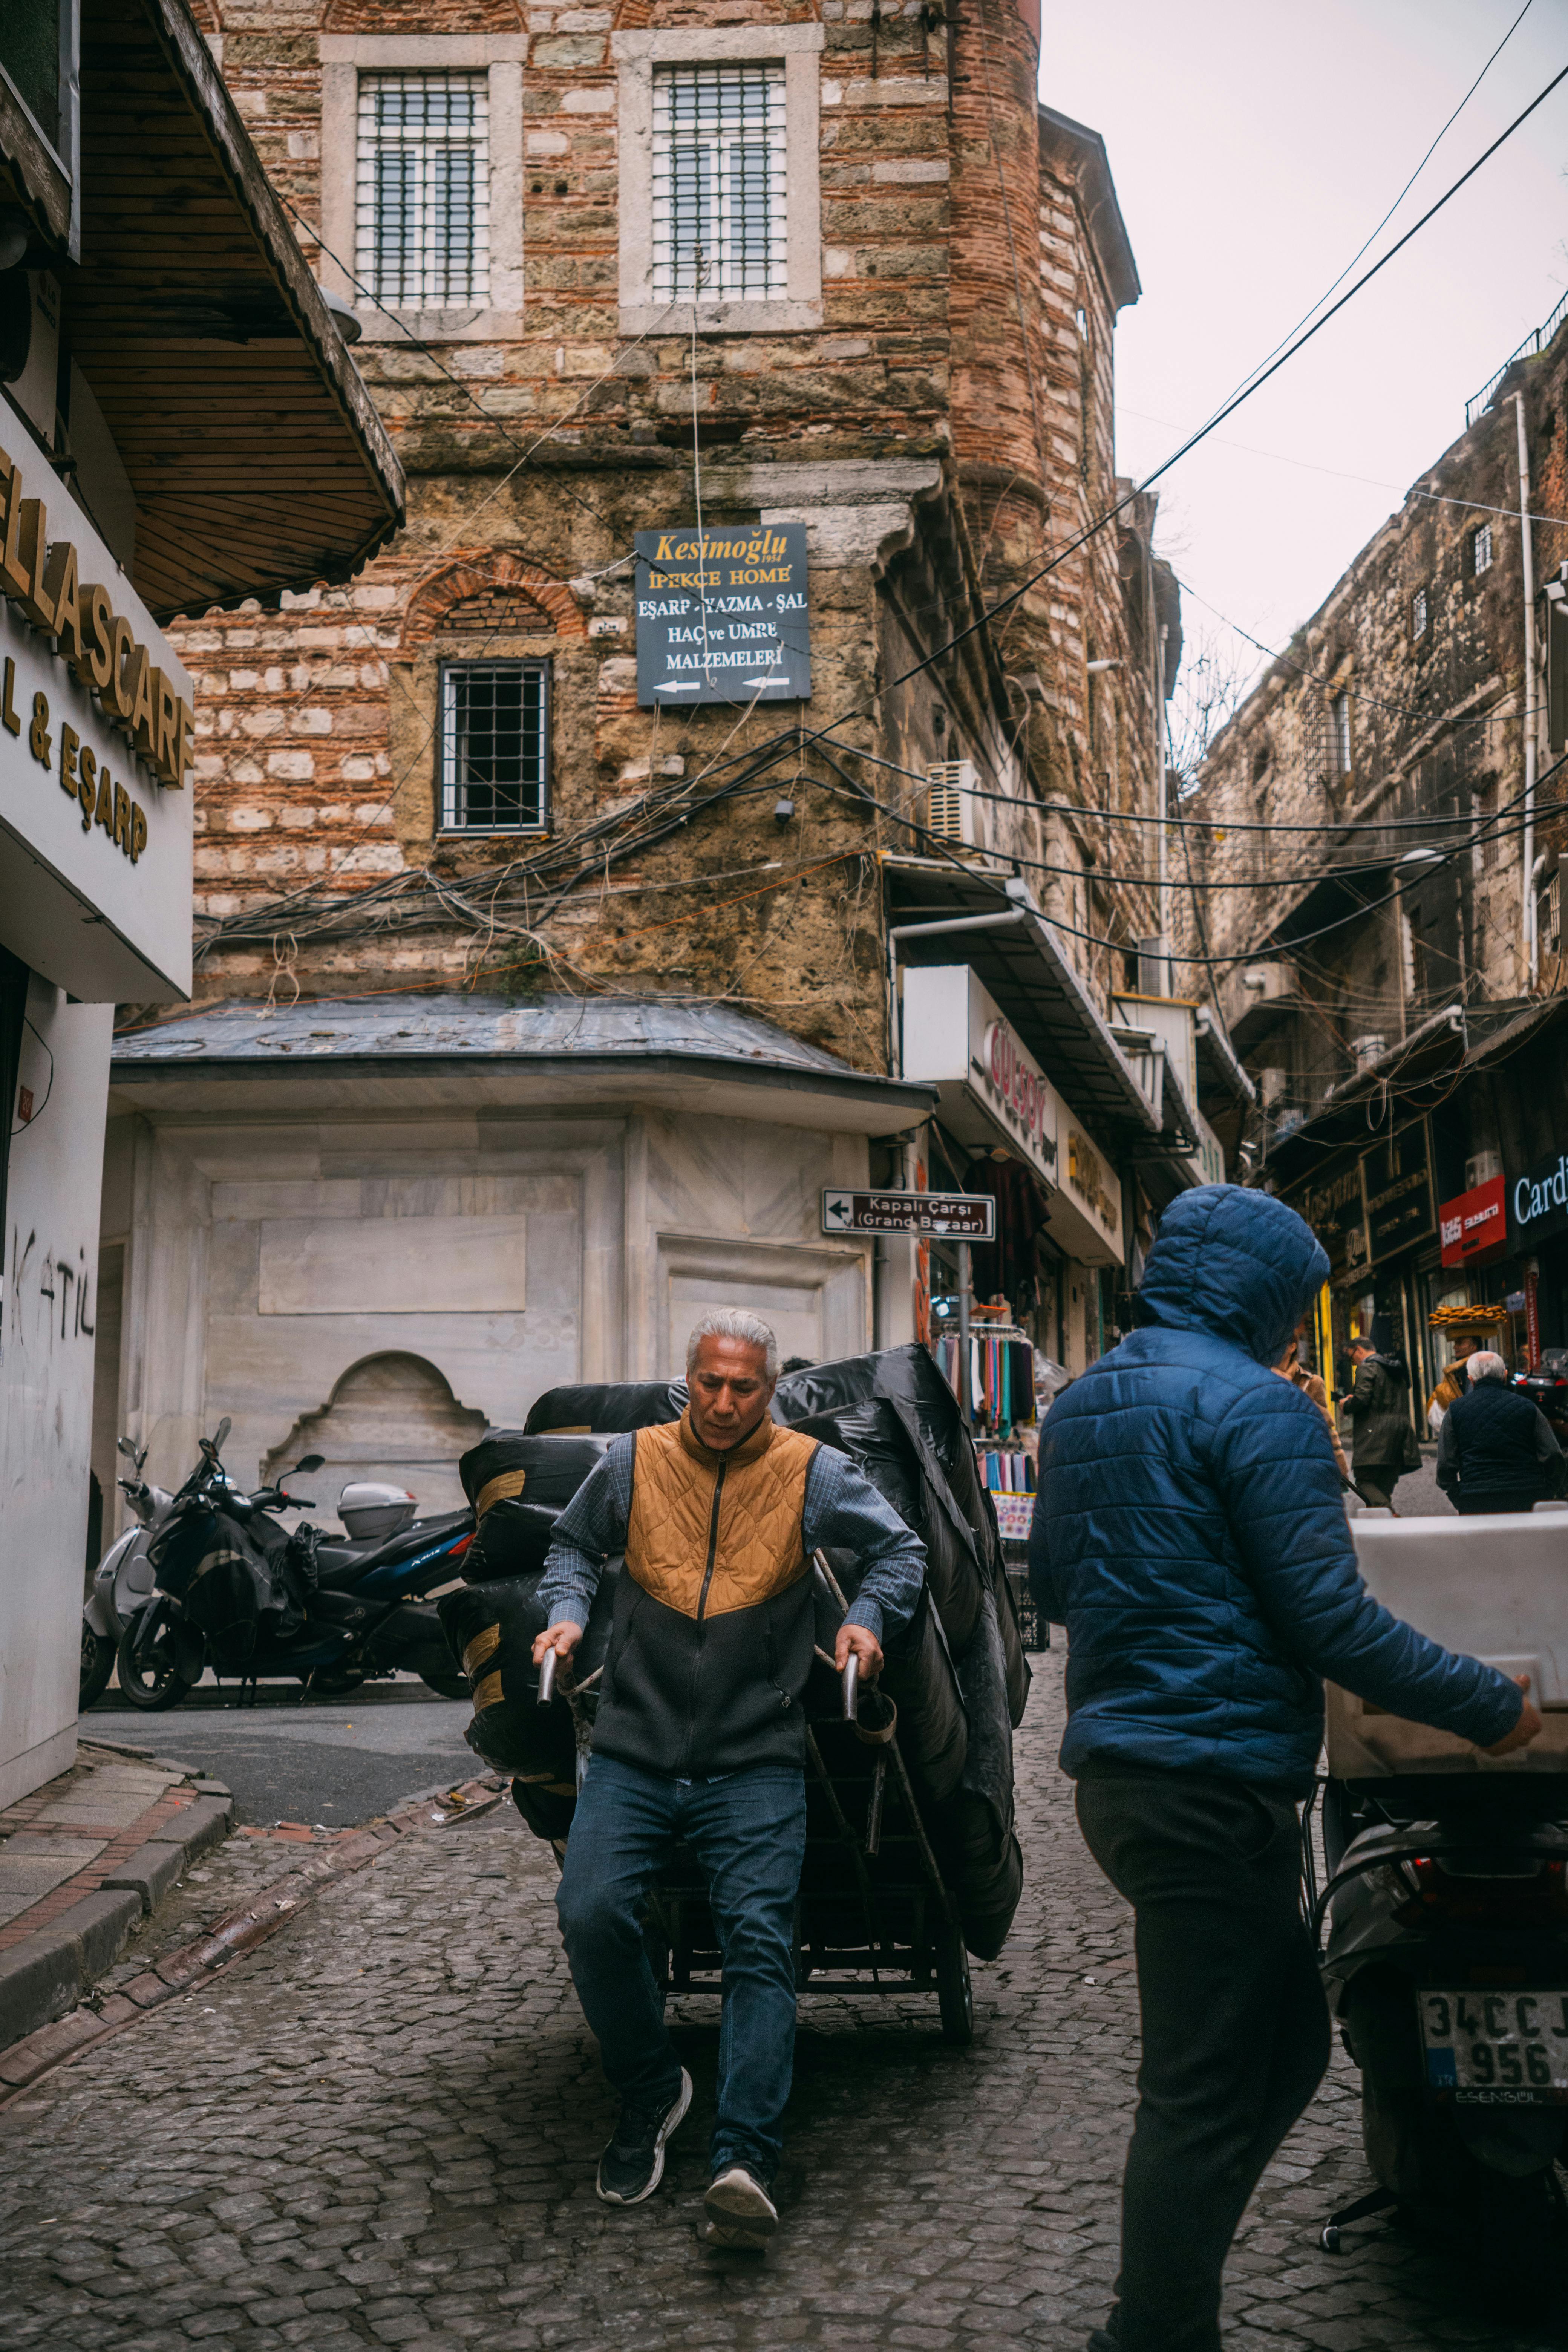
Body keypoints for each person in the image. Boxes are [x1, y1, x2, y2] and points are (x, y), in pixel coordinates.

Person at [1028, 1184, 1539, 2352]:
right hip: (1209, 1781)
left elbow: (1052, 1585)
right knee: (1201, 2085)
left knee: (1289, 2043)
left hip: (1126, 1780)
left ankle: (1168, 2303)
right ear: (1260, 1292)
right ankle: (1153, 2331)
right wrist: (1486, 1706)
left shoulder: (1082, 1402)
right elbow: (1332, 1621)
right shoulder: (1261, 1408)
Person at [532, 1309, 925, 2247]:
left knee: (759, 1944)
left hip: (755, 1755)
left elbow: (900, 1549)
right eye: (709, 1382)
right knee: (589, 1913)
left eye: (743, 1387)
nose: (722, 1401)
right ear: (690, 1378)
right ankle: (651, 2087)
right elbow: (571, 1546)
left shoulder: (811, 1471)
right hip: (633, 1746)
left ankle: (745, 2156)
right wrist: (566, 1612)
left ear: (770, 1389)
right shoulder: (632, 1462)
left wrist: (868, 1618)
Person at [1435, 1346, 1564, 1514]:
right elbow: (1553, 1455)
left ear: (1471, 1380)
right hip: (1526, 1496)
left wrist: (1457, 1496)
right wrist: (1547, 1491)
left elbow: (1445, 1465)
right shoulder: (1528, 1407)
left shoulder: (1455, 1411)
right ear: (1504, 1376)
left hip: (1475, 1498)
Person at [1341, 1334, 1416, 1509]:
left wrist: (1347, 1405)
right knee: (1383, 1488)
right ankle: (1388, 1522)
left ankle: (1391, 1517)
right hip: (1399, 1435)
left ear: (1359, 1350)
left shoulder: (1367, 1368)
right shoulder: (1394, 1368)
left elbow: (1362, 1399)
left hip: (1374, 1437)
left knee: (1364, 1482)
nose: (1353, 1363)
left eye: (1352, 1358)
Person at [1273, 1329, 1350, 1482]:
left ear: (1292, 1347)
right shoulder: (1260, 1379)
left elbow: (1325, 1426)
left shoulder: (1311, 1382)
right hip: (1274, 1462)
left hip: (1305, 1462)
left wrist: (1340, 1468)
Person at [1425, 1333, 1478, 1432]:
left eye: (1460, 1343)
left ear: (1474, 1347)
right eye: (1455, 1343)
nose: (1455, 1347)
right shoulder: (1458, 1370)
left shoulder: (1475, 1369)